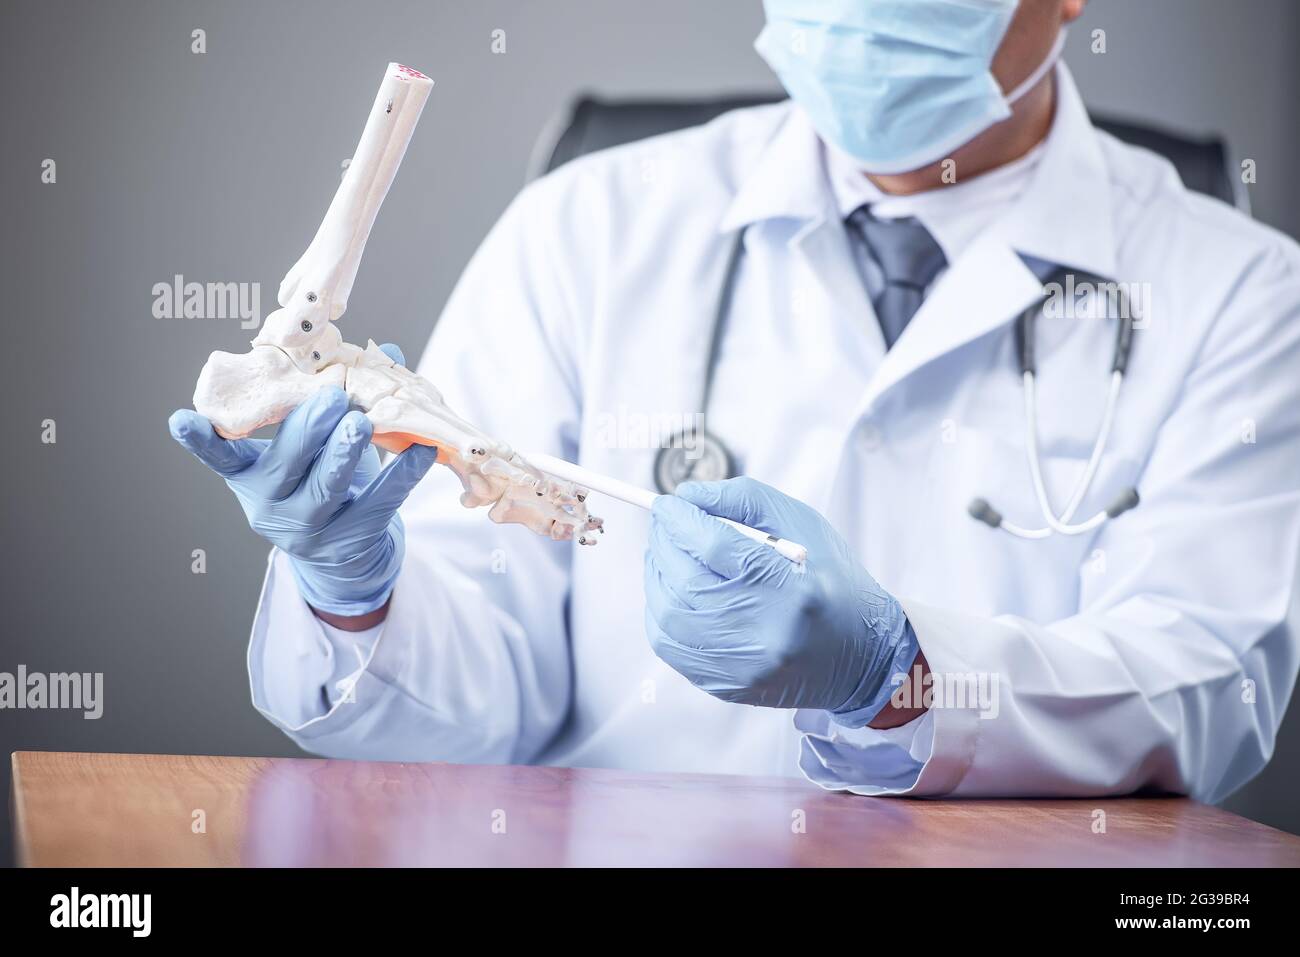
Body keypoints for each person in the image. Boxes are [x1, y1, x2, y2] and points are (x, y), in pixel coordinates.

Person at [171, 0, 1300, 800]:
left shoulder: (1245, 293)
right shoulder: (587, 227)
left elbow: (1206, 683)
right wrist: (356, 595)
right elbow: (479, 699)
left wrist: (904, 678)